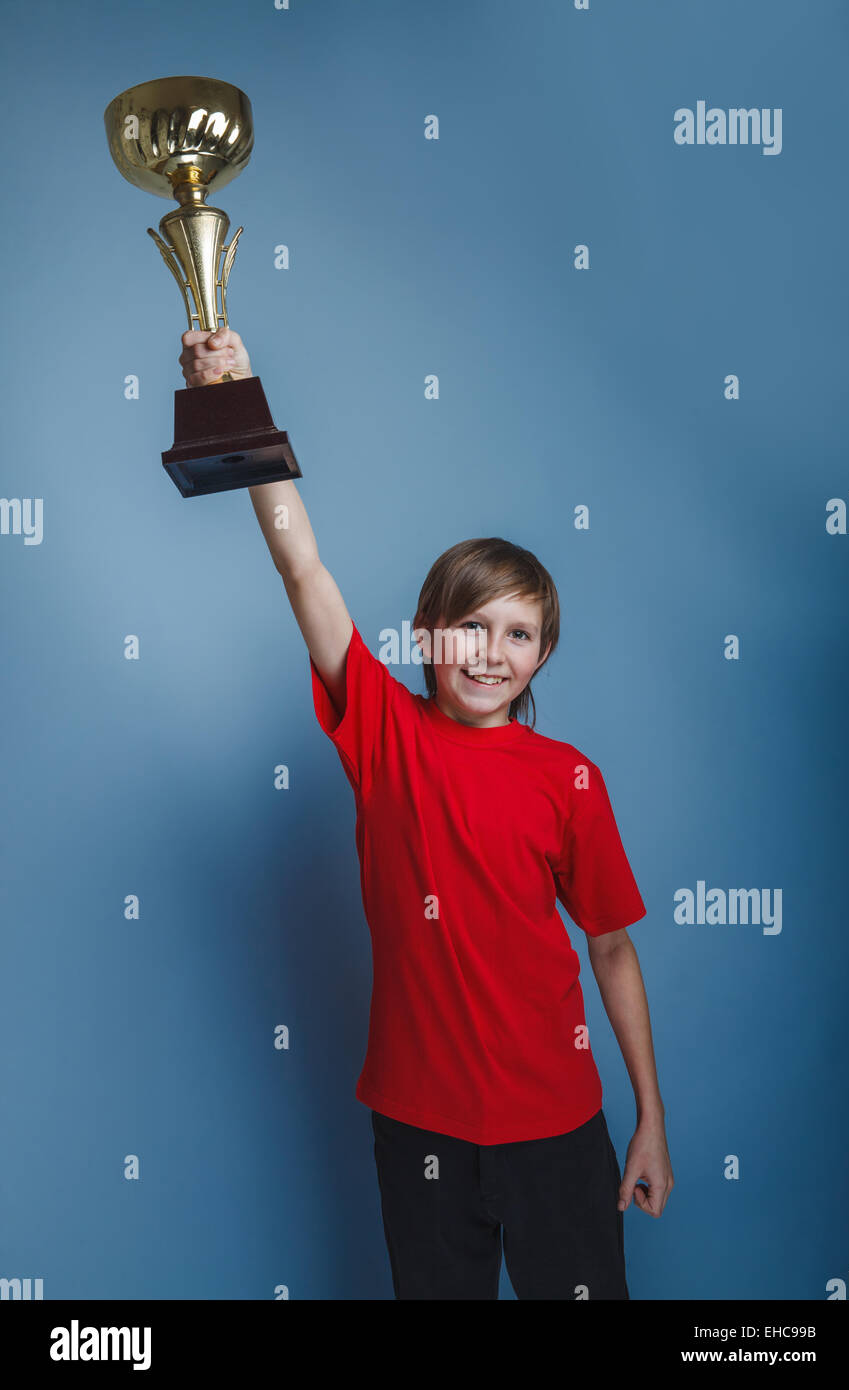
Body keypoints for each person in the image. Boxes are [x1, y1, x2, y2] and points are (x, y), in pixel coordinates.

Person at [178, 327, 675, 1300]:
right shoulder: (382, 731)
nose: (492, 653)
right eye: (471, 626)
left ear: (541, 655)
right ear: (426, 632)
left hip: (559, 1128)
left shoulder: (566, 777)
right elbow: (303, 572)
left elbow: (611, 944)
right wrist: (233, 396)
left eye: (519, 633)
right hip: (419, 1129)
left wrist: (648, 1115)